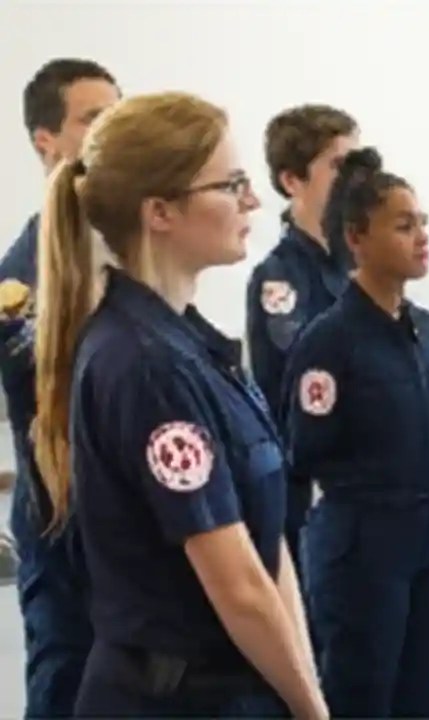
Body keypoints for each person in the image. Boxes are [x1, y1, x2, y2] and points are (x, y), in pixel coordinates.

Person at [32, 91, 325, 718]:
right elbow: (237, 586)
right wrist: (312, 709)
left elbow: (265, 545)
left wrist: (303, 686)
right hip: (174, 698)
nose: (252, 200)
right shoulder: (144, 365)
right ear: (160, 211)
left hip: (239, 688)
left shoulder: (194, 346)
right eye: (233, 184)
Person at [281, 147, 429, 718]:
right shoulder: (329, 339)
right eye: (403, 224)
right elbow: (308, 447)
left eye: (423, 224)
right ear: (357, 238)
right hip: (366, 532)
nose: (420, 237)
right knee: (363, 692)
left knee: (425, 691)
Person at [3, 57, 119, 719]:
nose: (112, 131)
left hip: (142, 536)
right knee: (66, 693)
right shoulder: (17, 286)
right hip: (67, 532)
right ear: (45, 142)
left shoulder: (135, 254)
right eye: (94, 119)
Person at [246, 104, 359, 583]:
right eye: (338, 165)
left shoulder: (363, 266)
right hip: (313, 486)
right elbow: (302, 383)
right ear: (292, 180)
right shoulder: (280, 280)